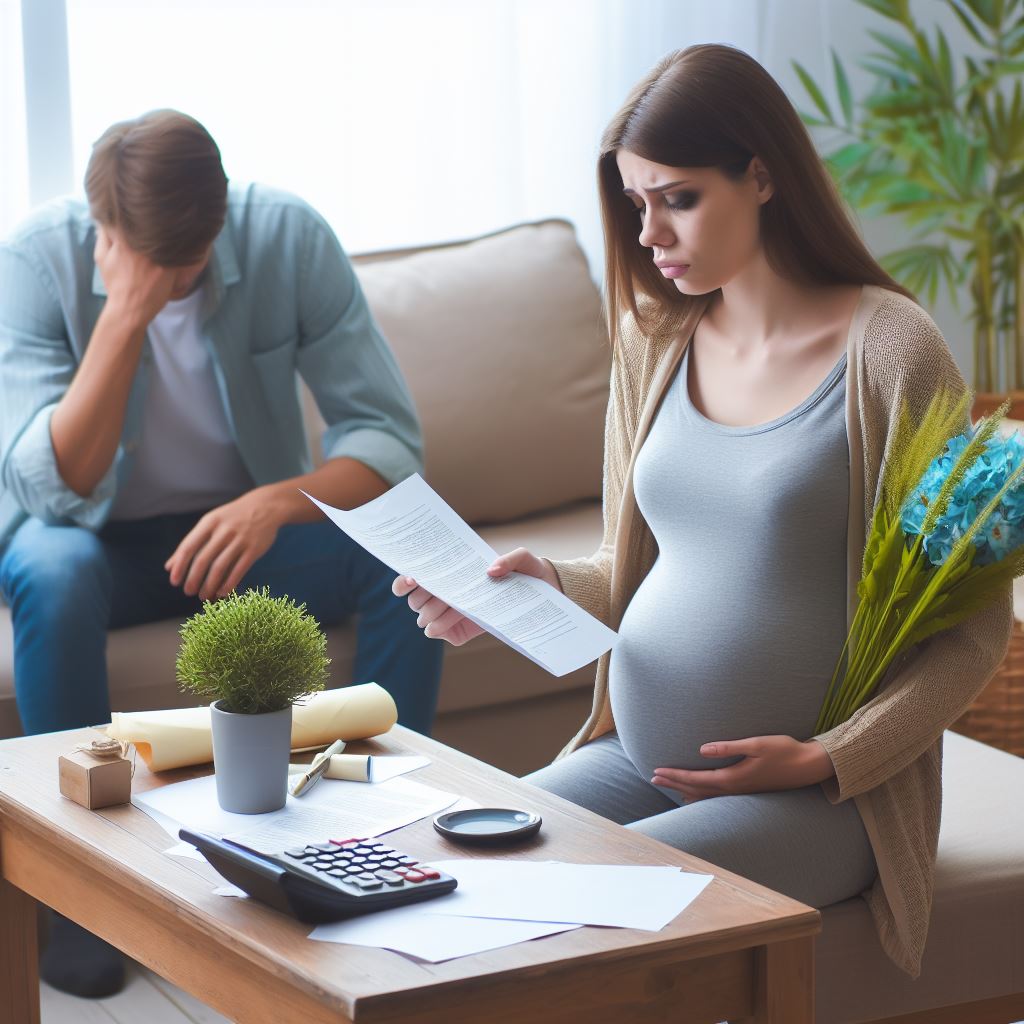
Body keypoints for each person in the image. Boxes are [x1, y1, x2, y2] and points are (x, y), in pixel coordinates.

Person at [393, 44, 1013, 982]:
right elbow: (631, 568)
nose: (649, 234)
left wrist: (828, 759)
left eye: (677, 198)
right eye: (638, 205)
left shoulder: (891, 351)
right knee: (444, 861)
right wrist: (540, 587)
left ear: (760, 175)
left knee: (558, 898)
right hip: (636, 760)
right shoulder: (656, 337)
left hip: (823, 802)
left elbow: (971, 632)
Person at [0, 109, 444, 997]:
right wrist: (126, 312)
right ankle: (80, 900)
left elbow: (390, 439)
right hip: (91, 541)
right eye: (146, 261)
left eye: (188, 268)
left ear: (221, 221)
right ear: (104, 232)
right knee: (50, 572)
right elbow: (49, 488)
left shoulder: (286, 237)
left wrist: (279, 502)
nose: (173, 283)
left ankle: (375, 849)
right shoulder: (37, 260)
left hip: (243, 534)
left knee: (409, 557)